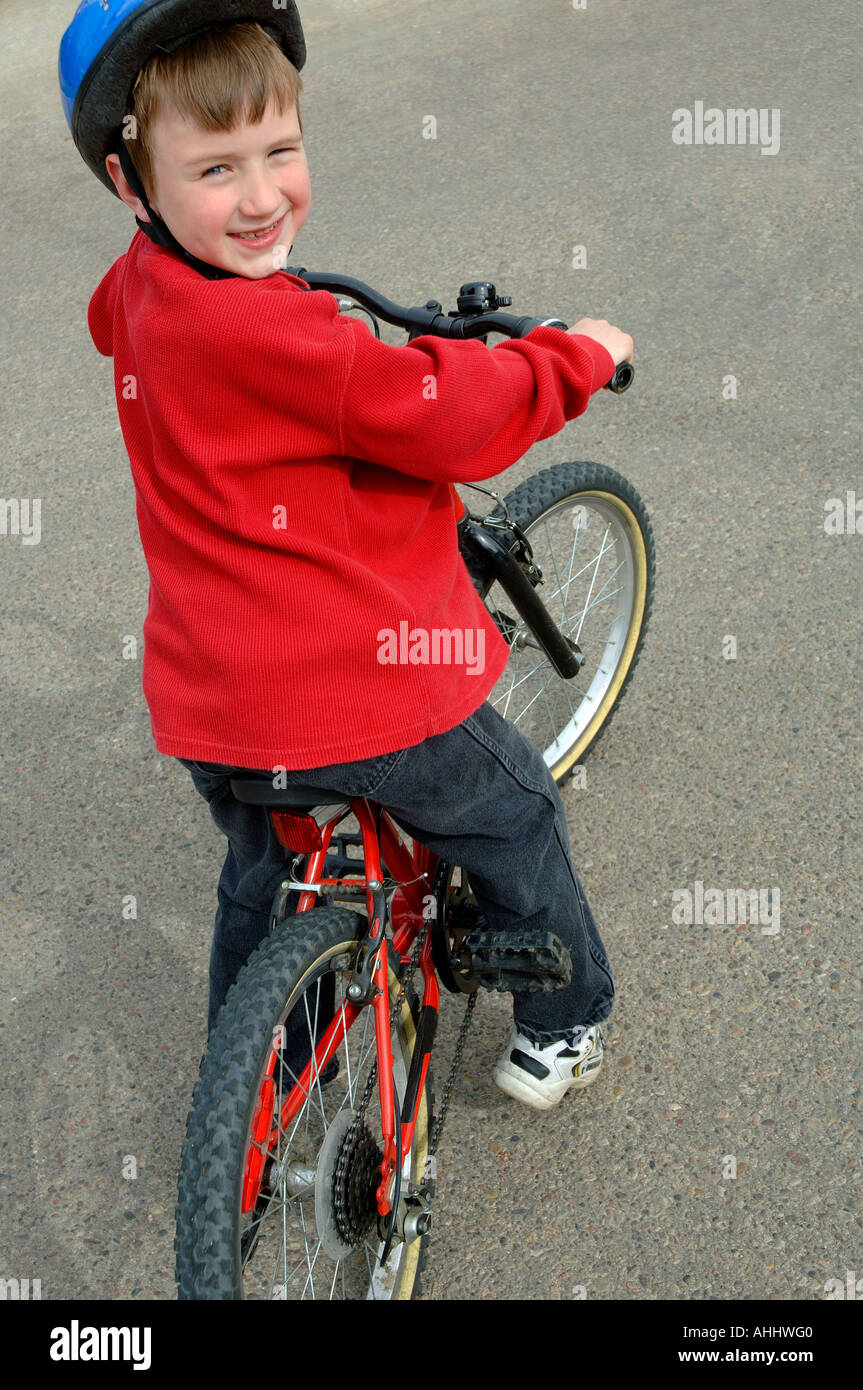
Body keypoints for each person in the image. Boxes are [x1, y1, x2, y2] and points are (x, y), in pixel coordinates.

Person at [60, 0, 633, 1111]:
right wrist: (569, 355)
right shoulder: (285, 338)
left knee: (259, 878)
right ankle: (563, 1026)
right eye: (216, 169)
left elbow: (117, 317)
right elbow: (444, 418)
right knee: (515, 812)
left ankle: (262, 1092)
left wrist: (258, 279)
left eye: (280, 150)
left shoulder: (139, 294)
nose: (265, 195)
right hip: (361, 688)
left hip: (216, 705)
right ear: (136, 187)